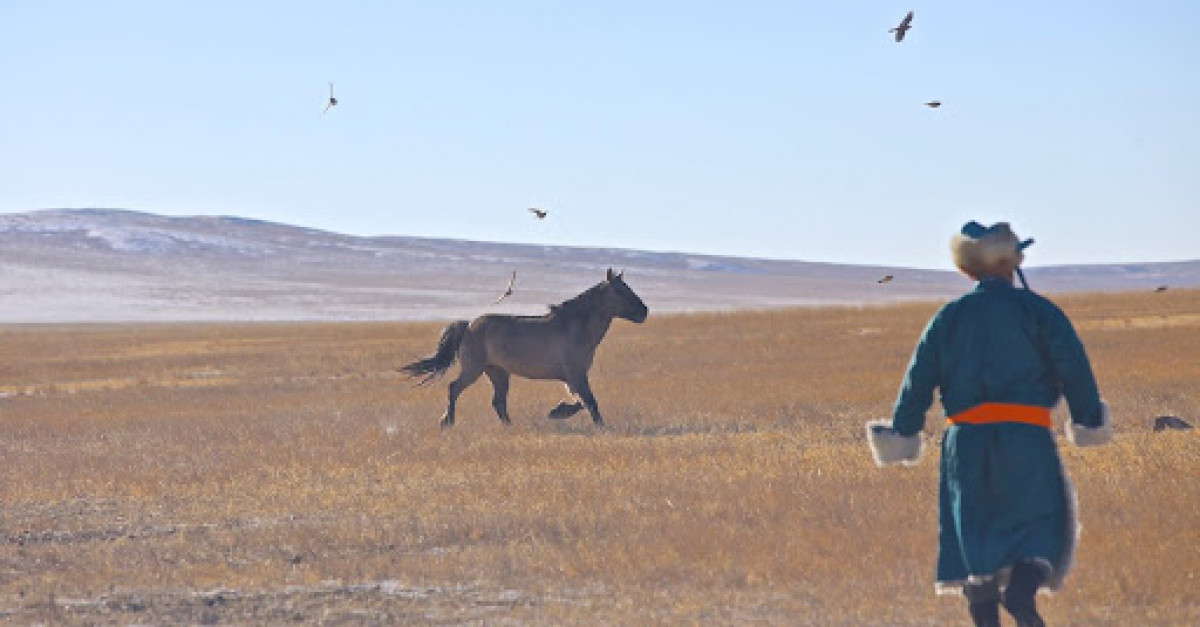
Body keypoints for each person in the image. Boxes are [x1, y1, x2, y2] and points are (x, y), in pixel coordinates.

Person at [866, 221, 1112, 627]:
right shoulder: (1040, 312)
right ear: (1012, 261)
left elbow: (918, 380)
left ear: (967, 269)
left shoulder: (949, 317)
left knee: (975, 543)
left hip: (967, 444)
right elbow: (1074, 367)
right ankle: (1021, 594)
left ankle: (987, 615)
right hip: (1026, 438)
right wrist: (1088, 418)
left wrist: (903, 431)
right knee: (1039, 529)